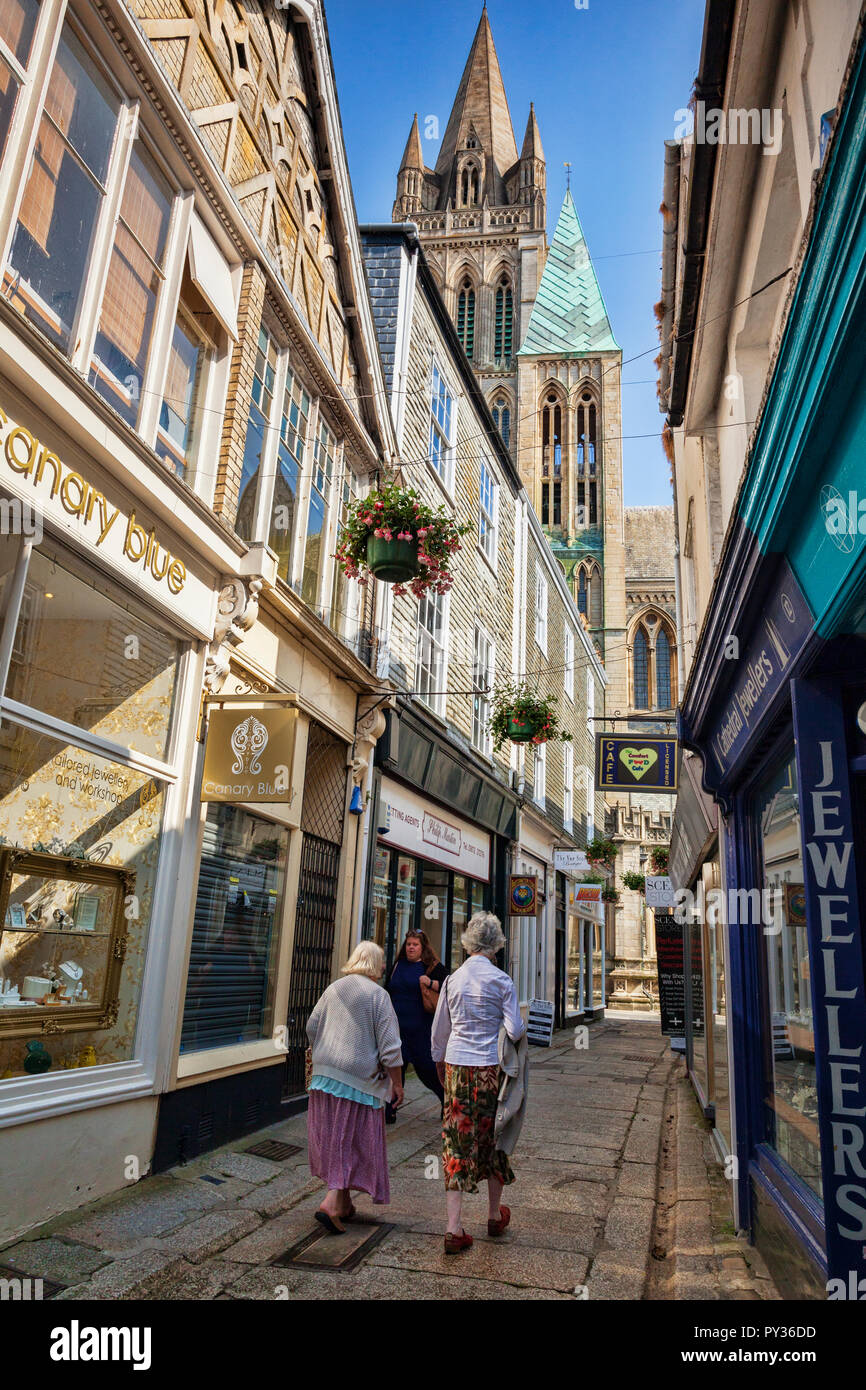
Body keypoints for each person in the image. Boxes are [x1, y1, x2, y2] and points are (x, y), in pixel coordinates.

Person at [431, 911, 525, 1254]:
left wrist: (441, 1067)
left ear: (468, 943)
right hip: (490, 1069)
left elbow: (440, 1032)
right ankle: (492, 1215)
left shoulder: (452, 980)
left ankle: (453, 1228)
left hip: (457, 1065)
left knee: (456, 1142)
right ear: (496, 944)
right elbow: (515, 1029)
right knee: (495, 1136)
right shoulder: (502, 981)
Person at [305, 939, 403, 1234]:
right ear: (374, 964)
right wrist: (397, 1083)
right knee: (351, 1141)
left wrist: (325, 1051)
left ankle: (344, 1204)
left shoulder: (334, 988)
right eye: (382, 961)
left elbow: (311, 1026)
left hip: (323, 1077)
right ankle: (331, 1202)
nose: (385, 966)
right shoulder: (378, 995)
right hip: (357, 1080)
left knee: (334, 1138)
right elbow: (390, 1048)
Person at [384, 928, 447, 1124]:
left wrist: (431, 982)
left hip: (421, 1029)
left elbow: (449, 984)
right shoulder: (398, 965)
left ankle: (447, 1101)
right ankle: (390, 1111)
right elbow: (388, 989)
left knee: (427, 1070)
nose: (411, 948)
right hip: (397, 1028)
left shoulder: (431, 966)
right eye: (409, 944)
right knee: (396, 1069)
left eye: (415, 945)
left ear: (422, 947)